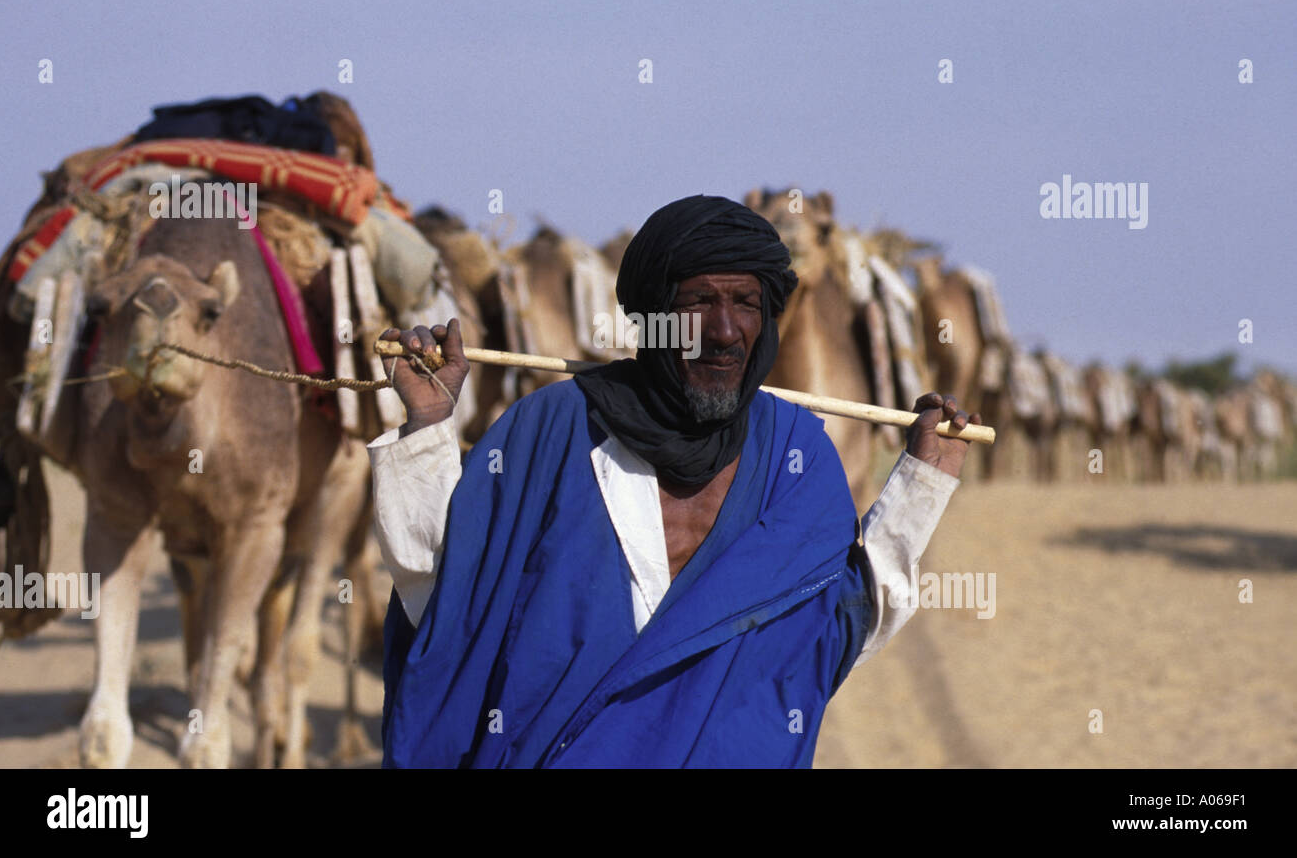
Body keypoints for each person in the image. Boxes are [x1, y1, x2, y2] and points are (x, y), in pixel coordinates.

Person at [370, 194, 980, 767]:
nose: (723, 331)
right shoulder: (548, 433)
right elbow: (449, 602)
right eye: (697, 303)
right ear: (653, 319)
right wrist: (427, 429)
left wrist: (922, 484)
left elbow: (834, 629)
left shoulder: (798, 455)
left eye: (746, 303)